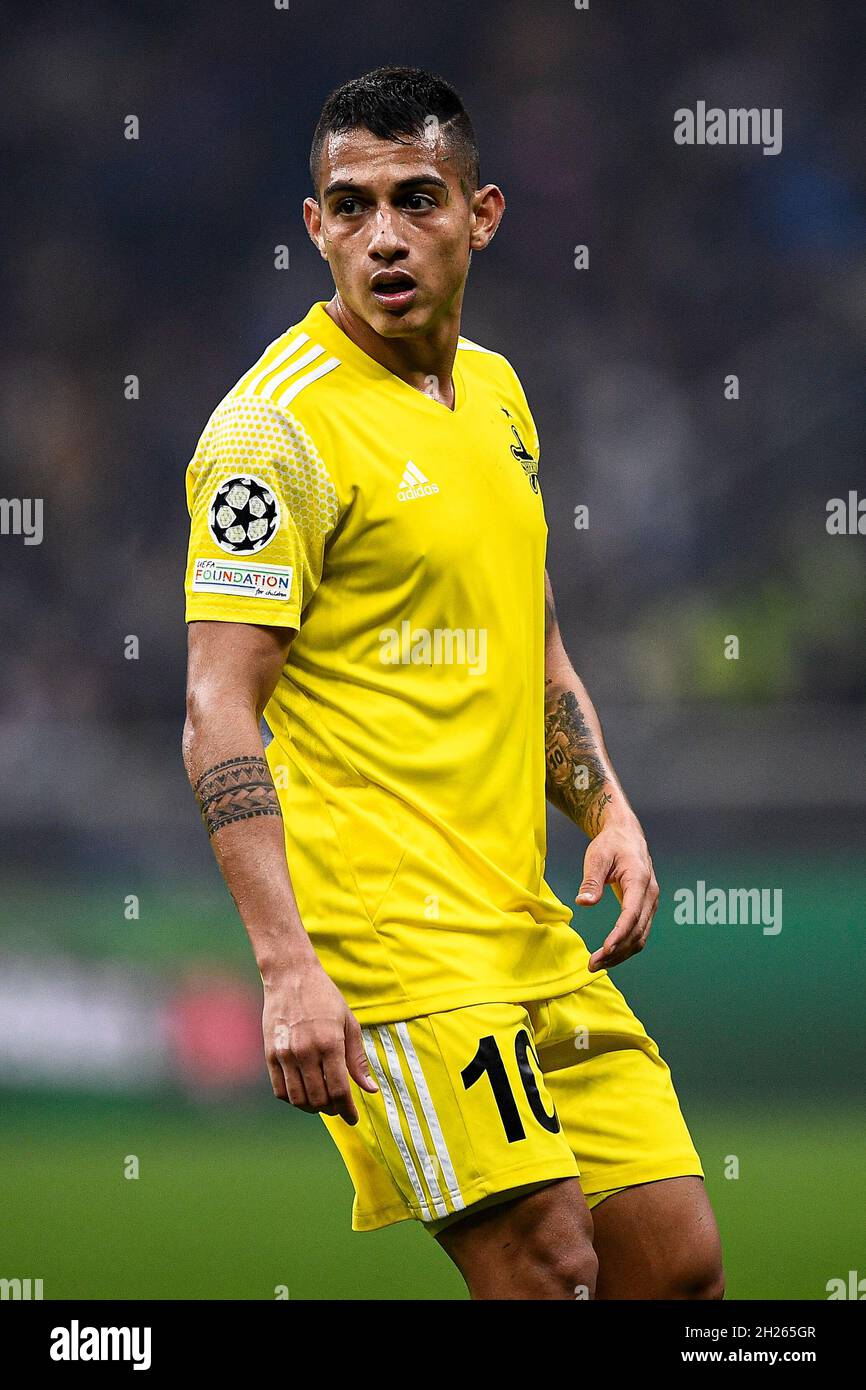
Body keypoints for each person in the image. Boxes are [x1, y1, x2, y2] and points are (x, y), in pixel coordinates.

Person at [182, 65, 723, 1301]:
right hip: (389, 950)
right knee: (547, 1267)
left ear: (479, 214)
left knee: (675, 1267)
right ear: (313, 225)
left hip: (527, 930)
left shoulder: (497, 396)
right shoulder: (274, 435)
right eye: (351, 204)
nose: (383, 234)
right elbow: (219, 707)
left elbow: (526, 638)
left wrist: (608, 810)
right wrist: (284, 967)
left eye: (415, 198)